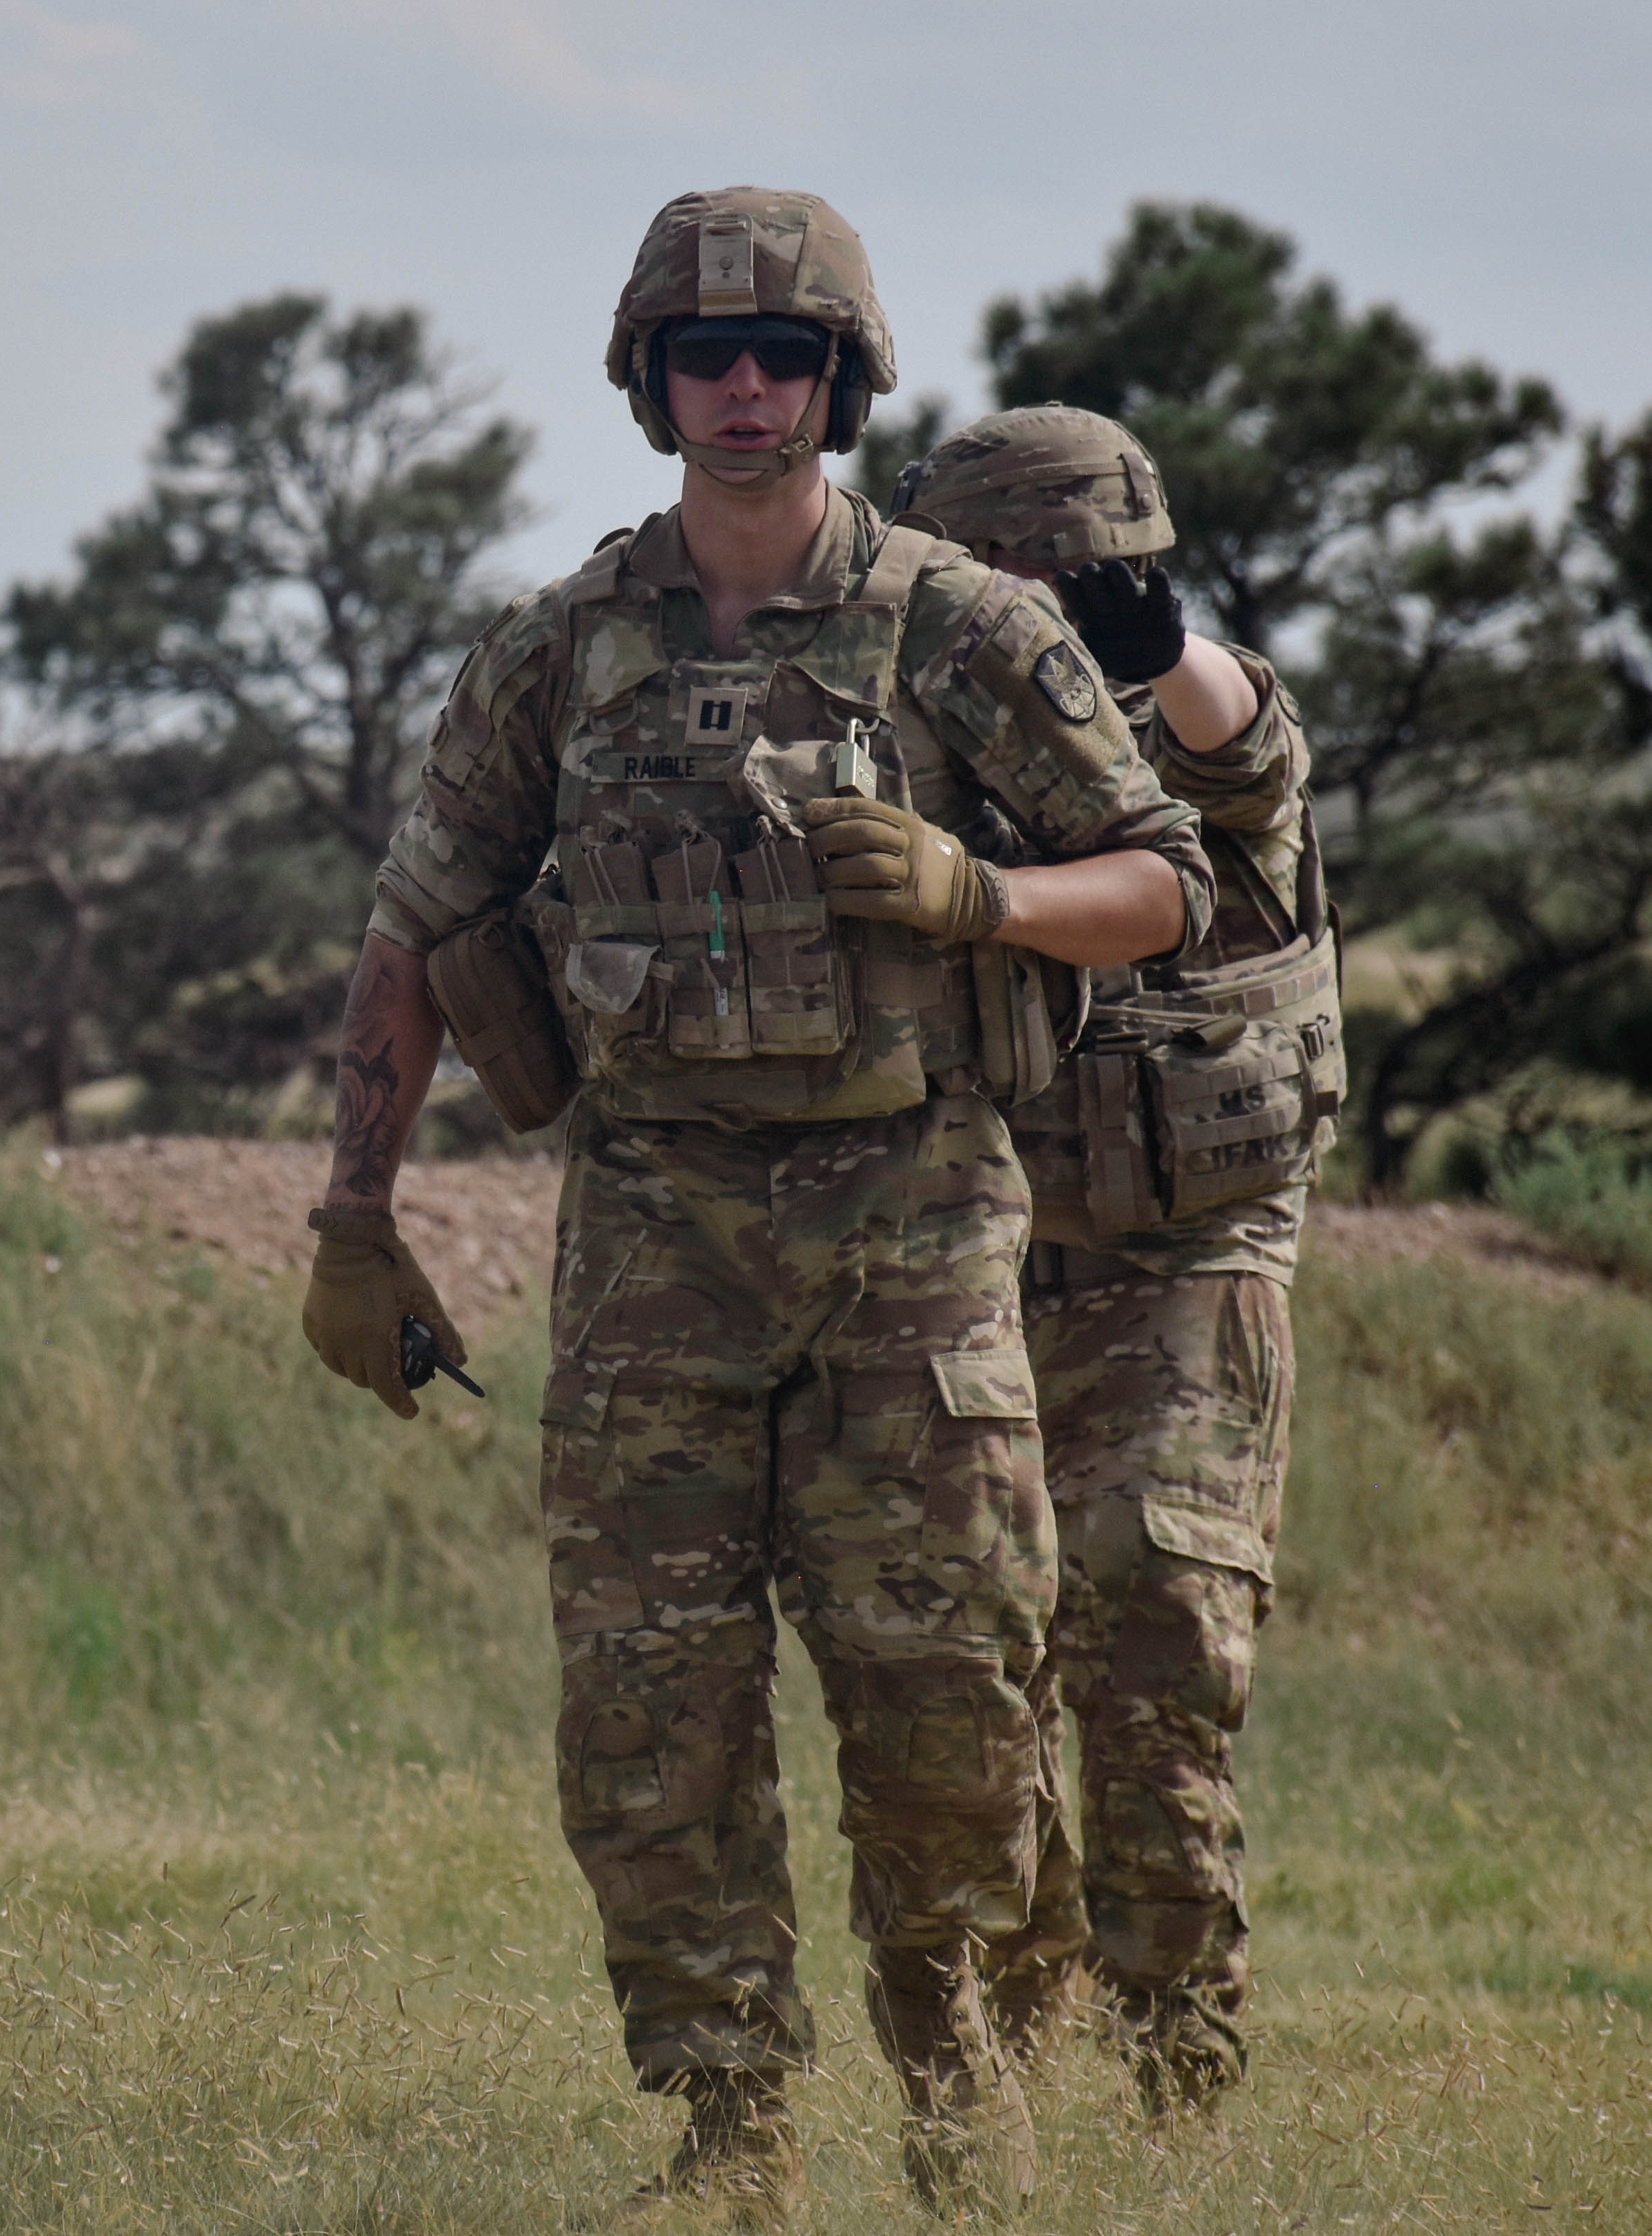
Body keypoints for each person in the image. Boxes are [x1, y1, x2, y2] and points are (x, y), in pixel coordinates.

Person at [298, 189, 1213, 2212]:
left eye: (780, 357)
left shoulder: (965, 627)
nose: (740, 390)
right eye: (701, 355)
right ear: (645, 380)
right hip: (647, 1250)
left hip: (908, 1233)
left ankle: (963, 2066)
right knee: (647, 1710)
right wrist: (352, 1221)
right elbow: (415, 926)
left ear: (839, 379)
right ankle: (729, 2127)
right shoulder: (558, 645)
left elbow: (1162, 877)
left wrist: (983, 895)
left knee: (948, 1696)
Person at [888, 405, 1337, 2114]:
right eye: (988, 576)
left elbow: (1235, 743)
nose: (1021, 610)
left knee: (1154, 1636)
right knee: (961, 1670)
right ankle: (1034, 2010)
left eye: (1055, 578)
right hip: (975, 1253)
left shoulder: (1192, 705)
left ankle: (1181, 2077)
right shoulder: (927, 727)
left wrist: (1140, 637)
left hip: (1186, 1256)